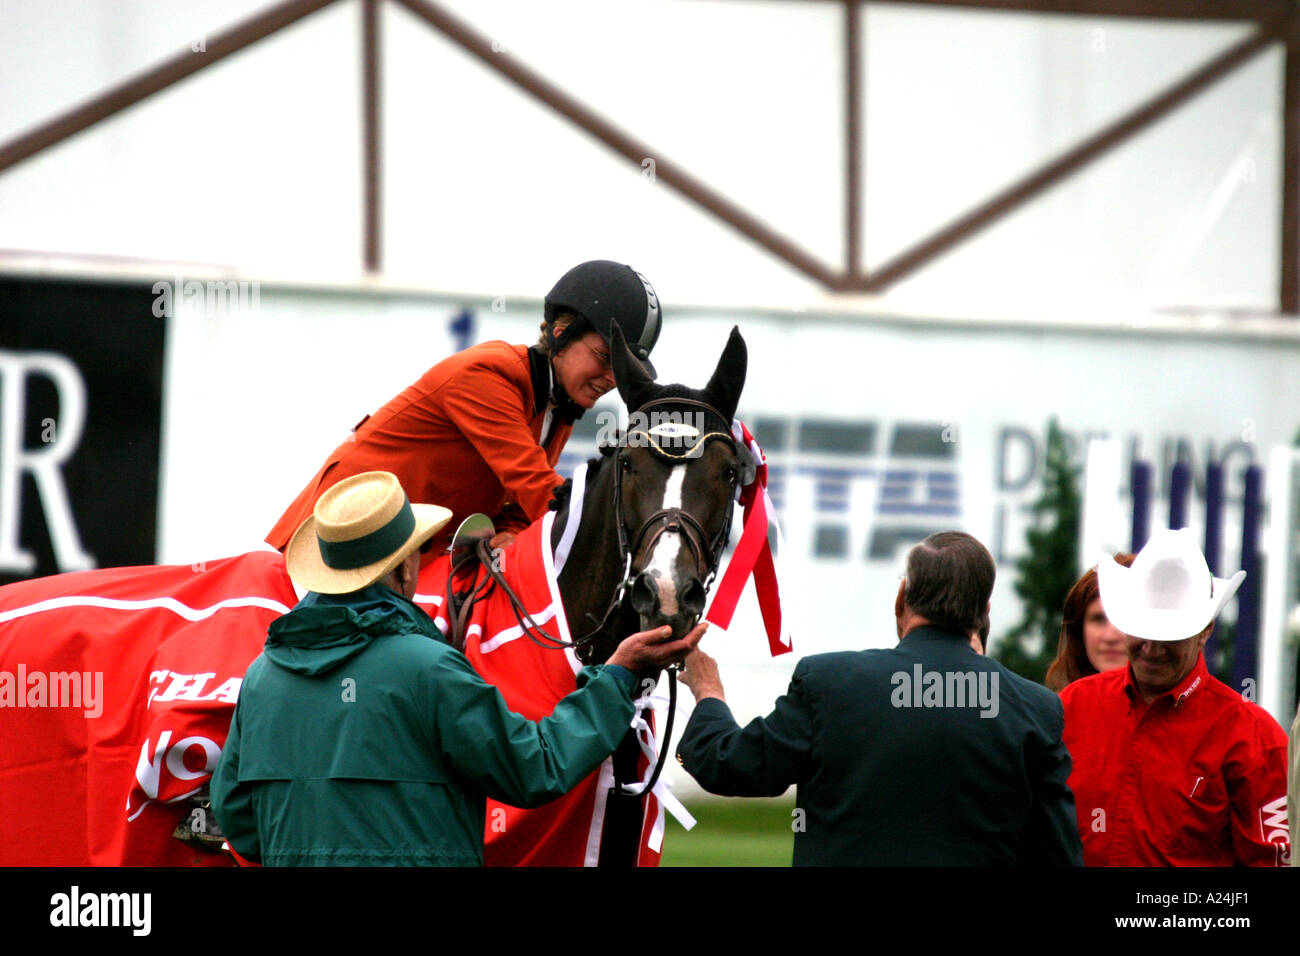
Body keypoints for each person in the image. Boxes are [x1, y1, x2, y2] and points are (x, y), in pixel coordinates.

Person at [213, 471, 702, 866]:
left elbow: (238, 820)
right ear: (403, 567)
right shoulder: (426, 667)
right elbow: (534, 768)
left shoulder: (262, 676)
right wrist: (616, 677)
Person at [675, 531, 1083, 866]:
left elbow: (730, 765)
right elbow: (1059, 856)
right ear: (984, 611)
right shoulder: (1036, 709)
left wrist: (708, 692)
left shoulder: (829, 683)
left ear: (902, 598)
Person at [265, 260, 663, 556]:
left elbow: (521, 509)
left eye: (622, 369)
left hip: (407, 561)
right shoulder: (488, 374)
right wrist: (634, 528)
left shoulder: (559, 404)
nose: (612, 378)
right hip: (332, 541)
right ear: (561, 332)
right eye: (604, 357)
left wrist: (514, 534)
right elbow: (537, 486)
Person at [1060, 528, 1290, 866]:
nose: (1152, 648)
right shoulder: (1072, 706)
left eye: (1170, 636)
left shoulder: (1256, 739)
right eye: (1142, 630)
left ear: (1206, 630)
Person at [1044, 553, 1135, 692]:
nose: (1110, 637)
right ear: (1079, 630)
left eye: (1123, 619)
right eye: (1098, 619)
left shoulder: (1179, 709)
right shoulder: (1058, 709)